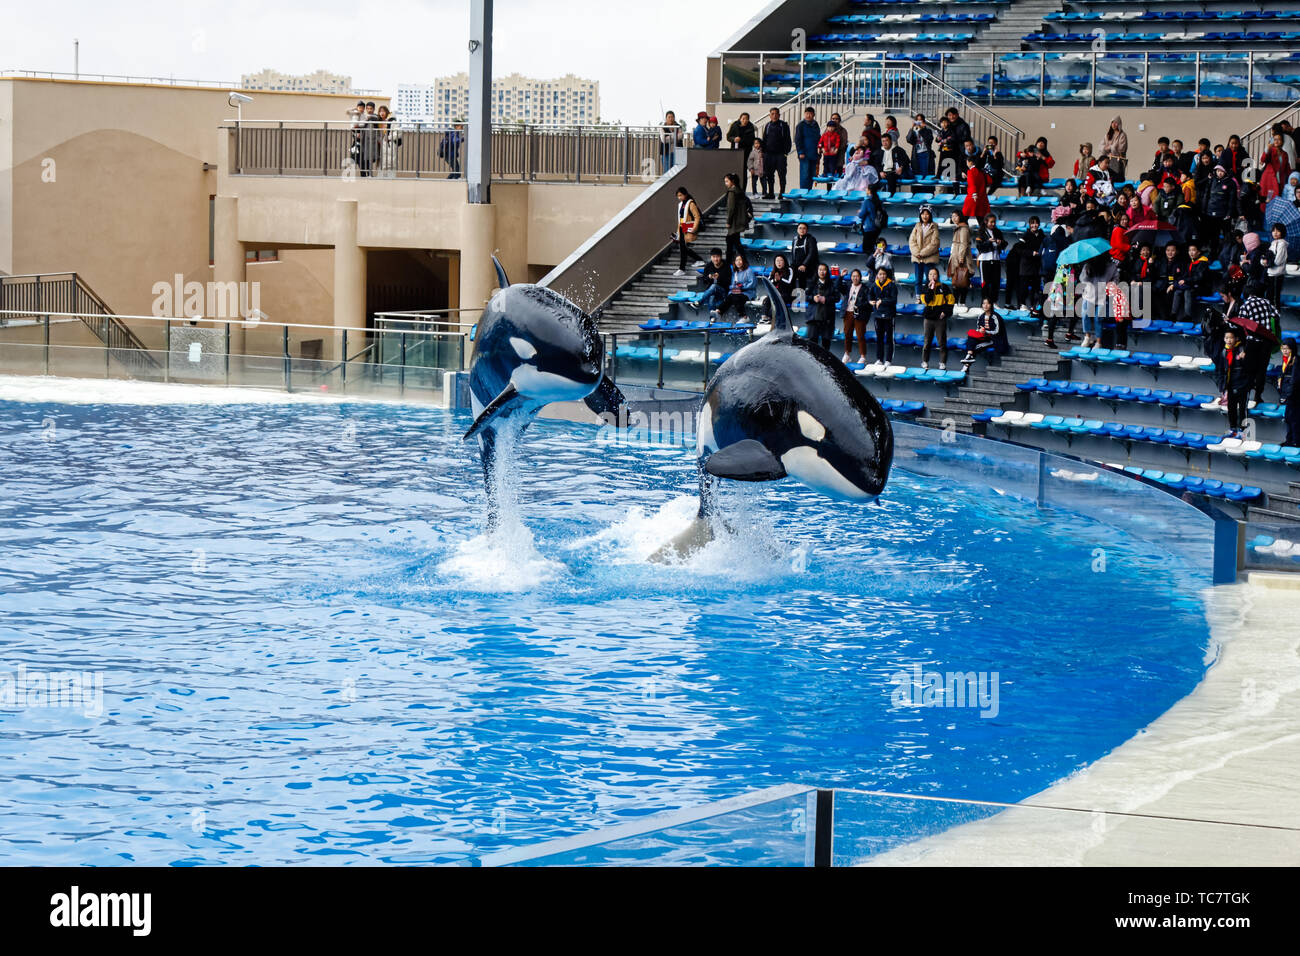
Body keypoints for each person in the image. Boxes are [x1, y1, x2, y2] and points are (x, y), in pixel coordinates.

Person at [1207, 326, 1251, 436]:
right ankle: (1233, 429)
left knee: (1242, 409)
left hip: (1242, 385)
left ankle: (1243, 430)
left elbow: (1249, 368)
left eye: (1231, 338)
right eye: (1226, 338)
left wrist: (1245, 358)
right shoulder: (1224, 352)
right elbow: (1221, 370)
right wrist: (1222, 386)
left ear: (1236, 339)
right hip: (1230, 385)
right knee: (1231, 408)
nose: (1229, 340)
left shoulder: (1242, 349)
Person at [1078, 254, 1117, 348]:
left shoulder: (1111, 266)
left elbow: (1116, 278)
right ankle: (1087, 336)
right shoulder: (1088, 265)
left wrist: (1111, 285)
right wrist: (1087, 272)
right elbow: (1082, 279)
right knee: (1085, 315)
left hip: (1102, 295)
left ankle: (1098, 342)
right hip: (1089, 294)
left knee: (1098, 318)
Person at [919, 266, 954, 370]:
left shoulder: (944, 287)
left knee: (942, 342)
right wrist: (930, 289)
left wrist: (945, 312)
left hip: (940, 319)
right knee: (927, 342)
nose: (932, 276)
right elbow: (926, 301)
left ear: (938, 276)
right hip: (928, 319)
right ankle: (925, 361)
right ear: (928, 276)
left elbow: (951, 301)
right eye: (930, 274)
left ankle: (942, 363)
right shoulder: (925, 288)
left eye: (934, 274)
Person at [960, 297, 1008, 369]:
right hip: (984, 337)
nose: (985, 305)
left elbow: (997, 331)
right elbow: (978, 328)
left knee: (975, 347)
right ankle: (968, 356)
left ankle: (966, 366)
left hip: (994, 339)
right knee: (971, 336)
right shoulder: (981, 316)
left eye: (987, 303)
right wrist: (980, 331)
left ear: (991, 305)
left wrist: (986, 331)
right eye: (983, 303)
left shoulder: (995, 316)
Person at [868, 266, 898, 367]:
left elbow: (894, 300)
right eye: (880, 274)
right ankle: (879, 359)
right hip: (878, 315)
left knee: (889, 339)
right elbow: (870, 295)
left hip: (889, 315)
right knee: (879, 338)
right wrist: (870, 301)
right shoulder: (874, 285)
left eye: (884, 274)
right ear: (877, 275)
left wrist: (882, 301)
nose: (882, 276)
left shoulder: (892, 285)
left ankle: (888, 360)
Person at [760, 107, 792, 199]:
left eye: (776, 114)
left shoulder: (783, 125)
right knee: (769, 175)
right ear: (769, 115)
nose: (774, 115)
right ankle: (771, 193)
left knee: (781, 175)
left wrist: (786, 153)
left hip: (780, 155)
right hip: (769, 155)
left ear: (779, 115)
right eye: (772, 114)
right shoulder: (768, 125)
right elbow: (764, 139)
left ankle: (782, 193)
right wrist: (763, 152)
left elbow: (788, 140)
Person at [672, 187, 704, 276]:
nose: (679, 197)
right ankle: (699, 259)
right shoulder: (681, 204)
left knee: (683, 248)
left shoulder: (691, 203)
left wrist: (694, 227)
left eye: (680, 195)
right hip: (682, 228)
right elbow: (680, 219)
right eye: (678, 196)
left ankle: (682, 269)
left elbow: (697, 217)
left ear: (685, 194)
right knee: (683, 248)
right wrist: (678, 231)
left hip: (688, 228)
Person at [976, 213, 1006, 307]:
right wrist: (988, 242)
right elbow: (979, 247)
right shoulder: (981, 232)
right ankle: (984, 303)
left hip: (996, 259)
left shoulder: (998, 232)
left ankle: (993, 302)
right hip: (985, 260)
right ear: (986, 222)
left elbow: (1004, 244)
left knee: (995, 282)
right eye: (991, 222)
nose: (993, 224)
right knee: (985, 283)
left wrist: (1000, 242)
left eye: (994, 222)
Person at [806, 263, 838, 352]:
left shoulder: (832, 284)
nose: (822, 272)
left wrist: (826, 299)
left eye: (824, 270)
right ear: (817, 271)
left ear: (827, 271)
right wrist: (813, 298)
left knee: (826, 344)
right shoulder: (811, 283)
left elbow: (837, 297)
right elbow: (805, 296)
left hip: (827, 317)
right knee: (812, 344)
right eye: (820, 269)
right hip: (813, 317)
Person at [909, 205, 941, 291]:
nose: (925, 216)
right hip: (917, 258)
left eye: (927, 214)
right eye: (923, 214)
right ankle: (918, 296)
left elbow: (935, 243)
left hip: (929, 258)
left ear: (930, 215)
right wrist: (917, 253)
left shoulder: (934, 227)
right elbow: (912, 241)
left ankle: (929, 296)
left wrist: (922, 253)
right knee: (918, 279)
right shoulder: (917, 226)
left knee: (930, 279)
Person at [947, 210, 976, 305]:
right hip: (956, 256)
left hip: (961, 258)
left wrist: (961, 258)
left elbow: (964, 244)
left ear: (960, 217)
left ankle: (961, 302)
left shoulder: (963, 228)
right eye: (952, 216)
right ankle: (956, 302)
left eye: (956, 216)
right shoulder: (959, 228)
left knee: (962, 281)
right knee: (957, 280)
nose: (954, 218)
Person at [840, 269, 868, 364]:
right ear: (851, 277)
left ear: (860, 277)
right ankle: (847, 354)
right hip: (847, 312)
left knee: (860, 335)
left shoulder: (865, 288)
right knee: (847, 334)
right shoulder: (848, 286)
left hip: (859, 314)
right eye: (853, 276)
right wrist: (841, 276)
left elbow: (867, 303)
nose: (855, 278)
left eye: (857, 276)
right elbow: (837, 286)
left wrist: (859, 305)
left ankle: (863, 356)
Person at [718, 253, 757, 318]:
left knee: (735, 297)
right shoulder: (735, 272)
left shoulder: (748, 271)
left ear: (743, 261)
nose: (738, 262)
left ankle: (744, 317)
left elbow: (752, 284)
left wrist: (742, 286)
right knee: (730, 296)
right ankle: (718, 311)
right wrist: (735, 287)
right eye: (736, 260)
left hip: (748, 292)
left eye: (740, 260)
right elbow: (732, 285)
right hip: (737, 291)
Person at [1275, 338, 1298, 446]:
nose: (1285, 351)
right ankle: (1289, 440)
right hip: (1288, 395)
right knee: (1288, 418)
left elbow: (1294, 380)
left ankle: (1296, 441)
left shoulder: (1296, 360)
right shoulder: (1285, 360)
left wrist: (1287, 396)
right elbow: (1283, 376)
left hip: (1294, 396)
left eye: (1287, 349)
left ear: (1292, 349)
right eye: (1283, 348)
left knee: (1294, 419)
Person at [727, 112, 756, 190]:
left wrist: (741, 140)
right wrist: (734, 139)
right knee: (734, 171)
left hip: (746, 152)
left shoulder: (750, 127)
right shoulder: (734, 125)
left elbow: (751, 140)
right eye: (743, 119)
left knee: (743, 172)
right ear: (740, 119)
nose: (745, 120)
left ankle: (743, 190)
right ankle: (734, 188)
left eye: (746, 119)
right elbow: (728, 136)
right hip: (735, 152)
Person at [794, 107, 821, 192]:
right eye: (807, 113)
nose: (808, 115)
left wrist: (819, 152)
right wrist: (800, 152)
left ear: (813, 115)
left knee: (812, 174)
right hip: (804, 155)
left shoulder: (815, 125)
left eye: (810, 114)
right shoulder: (801, 125)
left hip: (814, 154)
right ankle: (803, 192)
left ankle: (809, 191)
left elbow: (818, 138)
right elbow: (798, 140)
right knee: (804, 174)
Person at [723, 173, 748, 264]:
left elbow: (731, 208)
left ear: (732, 181)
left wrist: (728, 221)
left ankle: (729, 262)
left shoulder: (732, 192)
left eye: (727, 181)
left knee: (731, 242)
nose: (725, 183)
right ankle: (741, 260)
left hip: (734, 222)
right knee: (735, 242)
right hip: (739, 221)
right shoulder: (739, 191)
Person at [698, 248, 732, 315]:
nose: (716, 259)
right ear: (711, 257)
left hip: (723, 293)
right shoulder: (708, 266)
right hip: (711, 293)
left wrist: (719, 278)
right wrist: (709, 277)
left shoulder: (726, 266)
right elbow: (704, 281)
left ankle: (700, 302)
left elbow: (729, 282)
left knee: (714, 286)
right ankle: (713, 318)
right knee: (711, 297)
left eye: (717, 257)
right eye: (714, 257)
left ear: (721, 257)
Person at [855, 184, 886, 255]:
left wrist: (859, 211)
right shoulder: (878, 200)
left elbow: (861, 215)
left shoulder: (867, 201)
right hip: (878, 227)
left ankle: (875, 260)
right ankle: (880, 254)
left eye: (867, 189)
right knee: (876, 242)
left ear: (869, 191)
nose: (866, 190)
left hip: (869, 228)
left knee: (867, 248)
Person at [819, 115, 848, 186]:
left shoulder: (843, 131)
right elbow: (821, 142)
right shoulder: (826, 132)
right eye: (833, 118)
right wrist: (821, 148)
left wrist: (835, 149)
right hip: (827, 154)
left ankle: (838, 191)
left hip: (838, 156)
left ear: (839, 120)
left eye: (837, 119)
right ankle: (829, 192)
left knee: (838, 177)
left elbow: (843, 143)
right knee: (827, 169)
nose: (835, 120)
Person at [790, 221, 819, 291]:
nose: (802, 230)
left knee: (801, 277)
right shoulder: (795, 239)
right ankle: (791, 296)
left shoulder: (811, 239)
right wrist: (791, 265)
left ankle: (802, 298)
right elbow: (792, 253)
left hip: (808, 266)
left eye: (804, 228)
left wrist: (804, 265)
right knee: (789, 273)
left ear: (807, 230)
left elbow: (811, 253)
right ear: (797, 230)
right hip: (796, 265)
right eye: (800, 228)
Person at [1267, 222, 1290, 307]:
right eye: (1273, 231)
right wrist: (1265, 262)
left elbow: (1278, 261)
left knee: (1275, 299)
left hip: (1277, 274)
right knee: (1270, 297)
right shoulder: (1273, 243)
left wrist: (1268, 262)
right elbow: (1266, 257)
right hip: (1271, 273)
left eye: (1278, 231)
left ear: (1282, 232)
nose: (1275, 233)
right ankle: (1271, 318)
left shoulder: (1282, 244)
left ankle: (1275, 318)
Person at [962, 156, 990, 221]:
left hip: (972, 197)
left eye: (967, 162)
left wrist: (974, 194)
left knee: (964, 218)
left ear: (970, 162)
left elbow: (972, 184)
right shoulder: (981, 172)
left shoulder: (970, 172)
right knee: (981, 218)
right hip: (982, 197)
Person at [907, 113, 934, 178]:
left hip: (926, 154)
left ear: (923, 121)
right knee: (917, 173)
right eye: (917, 120)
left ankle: (925, 188)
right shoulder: (914, 130)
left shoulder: (928, 130)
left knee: (925, 173)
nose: (919, 122)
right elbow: (908, 139)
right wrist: (911, 128)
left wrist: (922, 129)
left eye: (920, 120)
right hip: (916, 154)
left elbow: (929, 140)